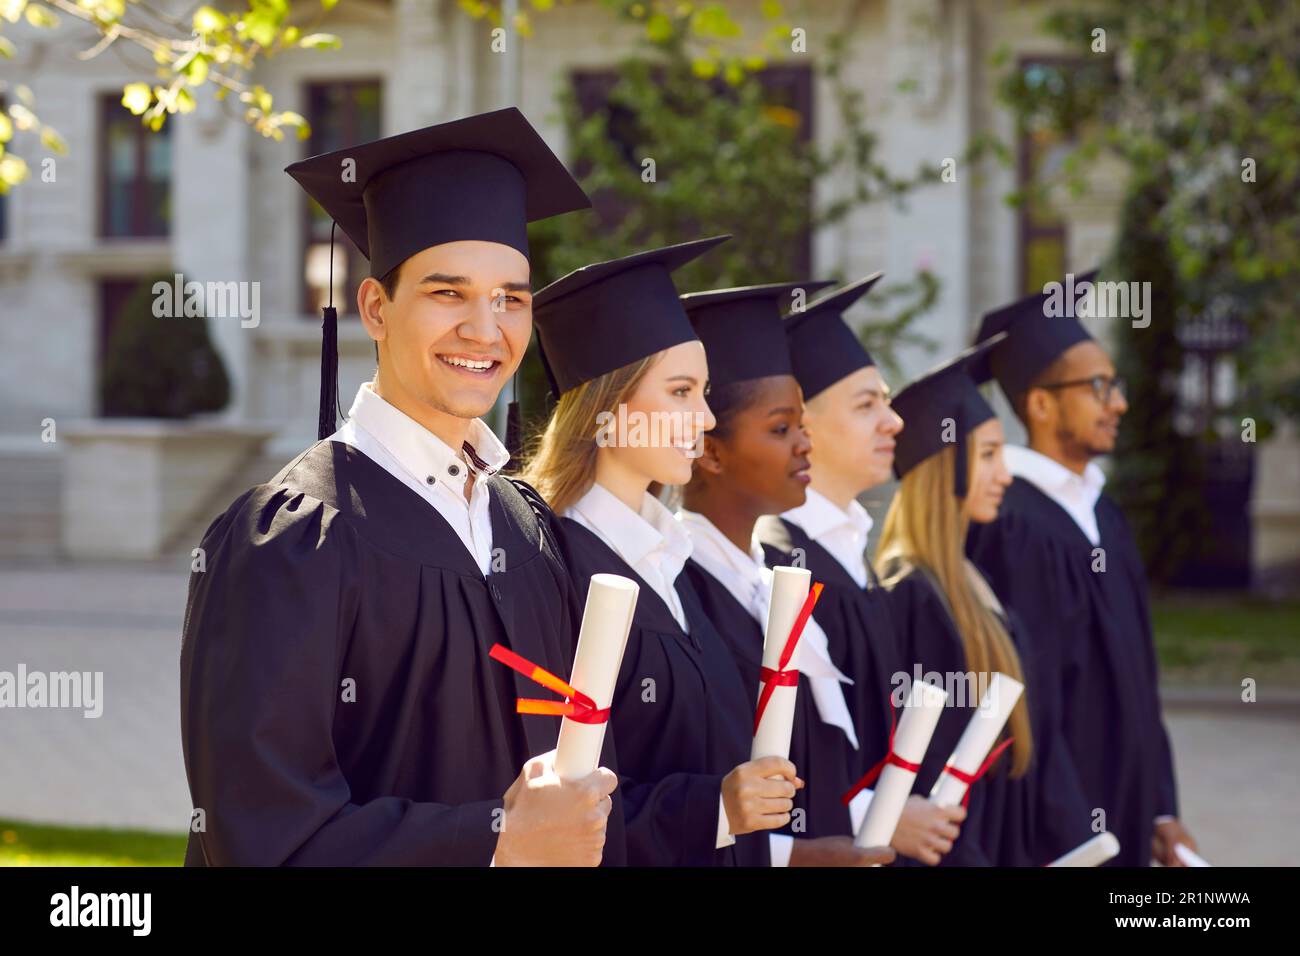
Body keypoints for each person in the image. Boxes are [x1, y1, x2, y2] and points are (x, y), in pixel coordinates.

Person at [180, 108, 618, 866]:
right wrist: (497, 841)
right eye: (449, 294)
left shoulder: (525, 523)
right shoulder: (294, 537)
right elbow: (263, 840)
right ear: (376, 308)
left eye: (511, 298)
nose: (487, 330)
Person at [526, 246, 837, 866]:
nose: (703, 417)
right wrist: (717, 807)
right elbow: (565, 804)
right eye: (681, 392)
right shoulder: (558, 565)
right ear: (610, 410)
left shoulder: (671, 563)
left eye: (705, 392)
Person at [966, 277, 1197, 866]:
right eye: (1098, 387)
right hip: (1061, 836)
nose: (1117, 402)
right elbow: (1023, 698)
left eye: (1114, 385)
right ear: (1041, 404)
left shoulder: (1103, 513)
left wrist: (1161, 810)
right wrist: (1072, 834)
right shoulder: (1009, 522)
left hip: (1128, 815)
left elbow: (1141, 678)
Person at [676, 280, 896, 866]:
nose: (805, 445)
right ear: (710, 452)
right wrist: (796, 857)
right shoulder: (682, 592)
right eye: (781, 429)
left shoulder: (771, 580)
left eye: (801, 424)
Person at [755, 276, 968, 865]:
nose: (894, 423)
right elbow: (784, 753)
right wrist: (878, 814)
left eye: (888, 401)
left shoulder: (852, 555)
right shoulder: (779, 563)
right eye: (867, 404)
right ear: (803, 426)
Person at [875, 336, 1094, 865]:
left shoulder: (971, 577)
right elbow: (923, 770)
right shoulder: (911, 592)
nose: (1005, 474)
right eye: (989, 455)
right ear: (945, 466)